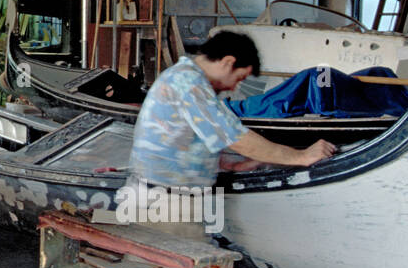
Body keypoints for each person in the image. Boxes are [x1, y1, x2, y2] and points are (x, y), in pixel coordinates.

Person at [126, 30, 336, 242]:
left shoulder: (183, 76)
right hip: (167, 205)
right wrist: (300, 157)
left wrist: (228, 164)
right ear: (227, 62)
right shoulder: (189, 84)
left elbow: (184, 139)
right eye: (239, 78)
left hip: (160, 198)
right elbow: (237, 139)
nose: (234, 87)